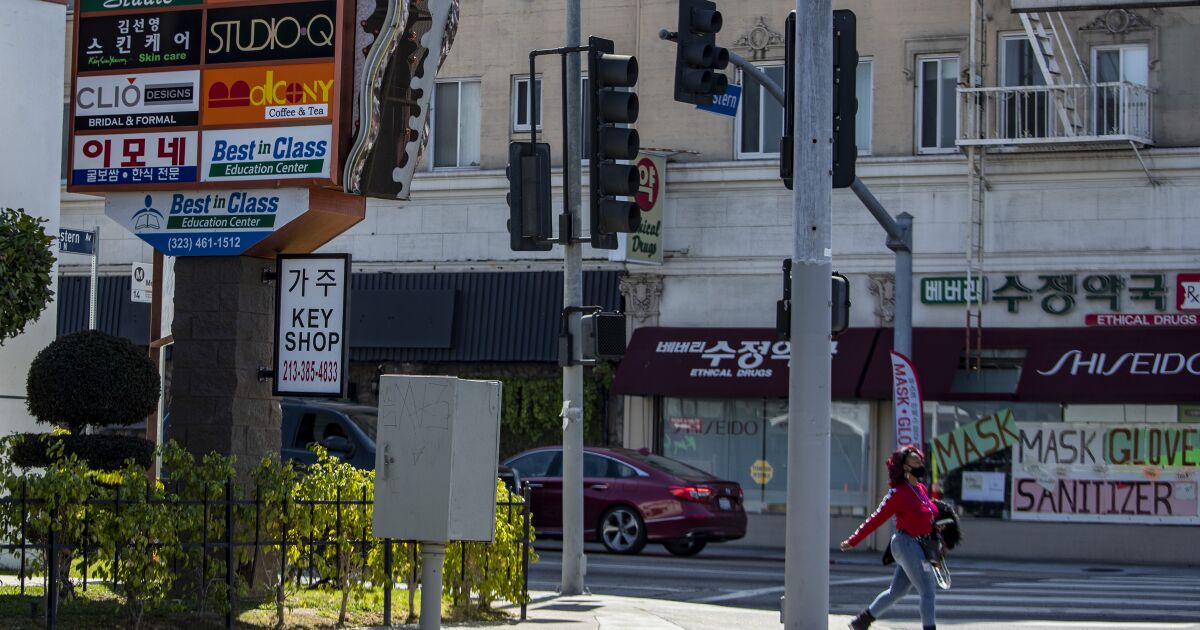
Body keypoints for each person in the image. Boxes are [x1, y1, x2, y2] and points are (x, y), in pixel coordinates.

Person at [839, 446, 939, 630]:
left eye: (920, 460)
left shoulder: (921, 489)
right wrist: (854, 540)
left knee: (896, 592)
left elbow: (929, 514)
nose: (920, 464)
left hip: (920, 546)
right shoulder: (898, 493)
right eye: (915, 461)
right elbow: (876, 519)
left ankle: (862, 621)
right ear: (905, 467)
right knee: (928, 591)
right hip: (905, 544)